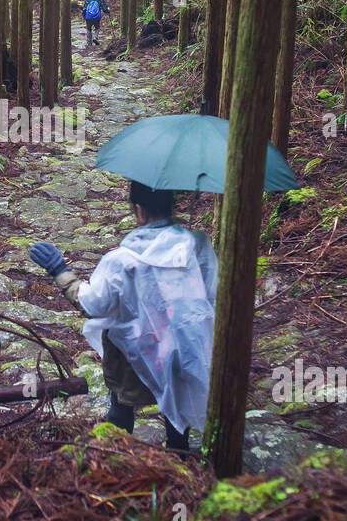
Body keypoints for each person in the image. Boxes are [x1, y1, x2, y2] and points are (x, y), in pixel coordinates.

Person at [27, 181, 217, 450]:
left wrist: (60, 271)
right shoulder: (198, 246)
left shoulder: (121, 260)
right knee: (177, 404)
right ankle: (179, 455)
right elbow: (210, 294)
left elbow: (93, 304)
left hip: (134, 355)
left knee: (121, 405)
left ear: (139, 210)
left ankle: (114, 452)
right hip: (184, 345)